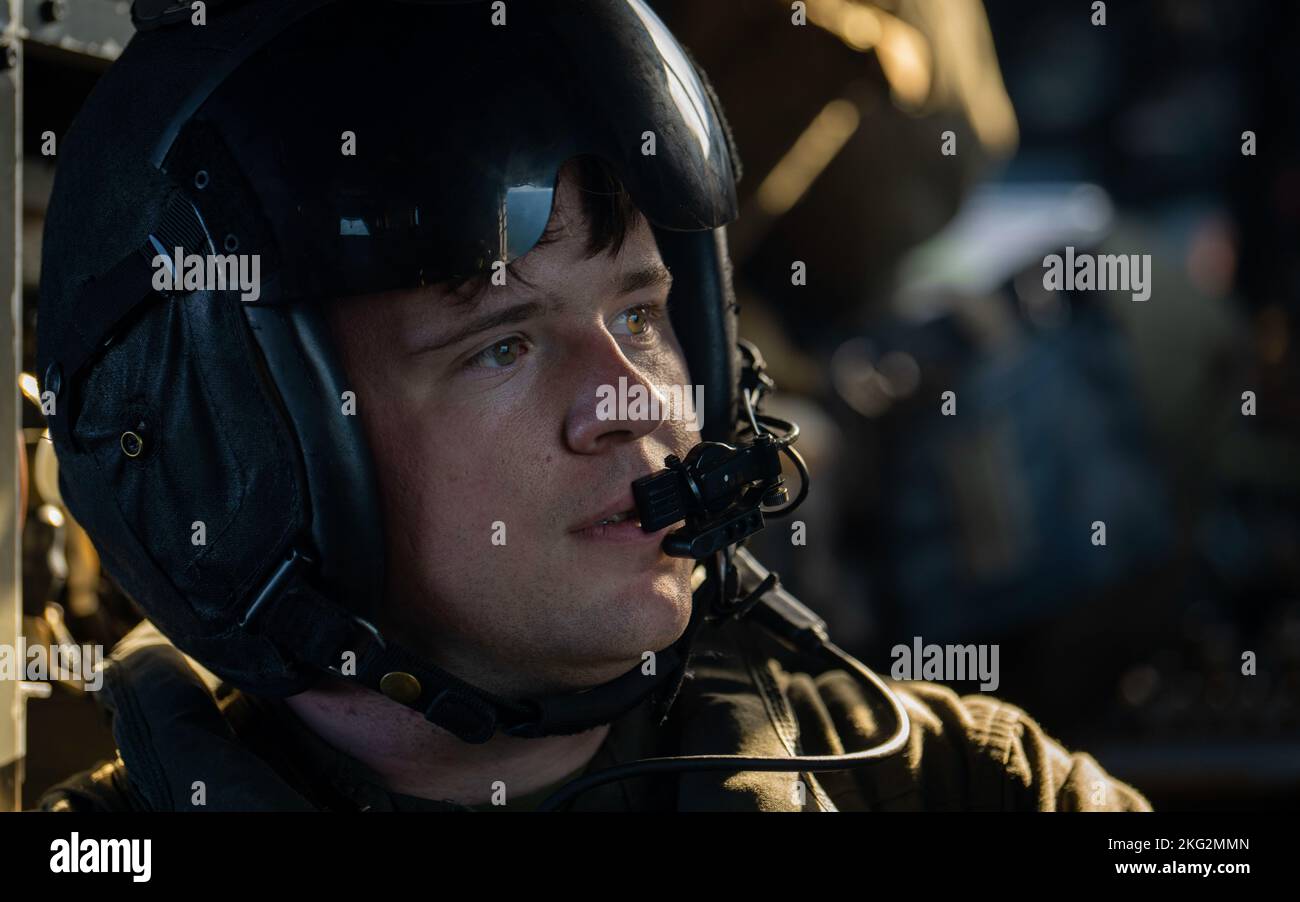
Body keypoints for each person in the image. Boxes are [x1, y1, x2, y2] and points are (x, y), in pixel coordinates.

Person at [32, 0, 1149, 812]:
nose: (629, 396)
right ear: (235, 456)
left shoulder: (971, 784)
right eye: (502, 345)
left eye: (644, 312)